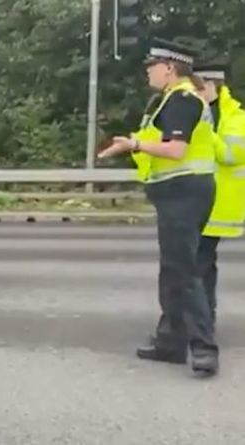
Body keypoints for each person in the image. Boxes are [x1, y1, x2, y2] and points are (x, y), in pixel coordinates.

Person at [98, 38, 219, 376]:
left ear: (169, 67)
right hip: (179, 192)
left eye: (152, 66)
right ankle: (170, 342)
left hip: (184, 192)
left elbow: (176, 149)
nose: (147, 72)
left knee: (185, 271)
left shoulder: (182, 99)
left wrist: (133, 144)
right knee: (174, 269)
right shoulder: (170, 98)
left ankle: (204, 349)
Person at [193, 57, 245, 327]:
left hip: (217, 206)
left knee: (199, 266)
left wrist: (204, 129)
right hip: (193, 202)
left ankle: (202, 323)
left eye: (198, 86)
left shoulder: (236, 118)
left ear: (211, 85)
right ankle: (201, 320)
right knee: (199, 266)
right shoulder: (196, 109)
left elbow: (230, 154)